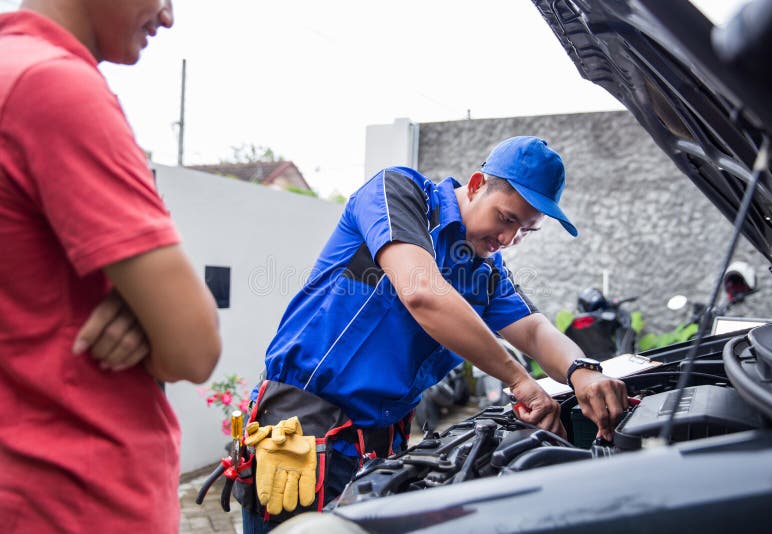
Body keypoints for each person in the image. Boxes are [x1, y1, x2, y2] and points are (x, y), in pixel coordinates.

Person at [241, 136, 629, 532]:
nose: (509, 240)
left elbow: (533, 329)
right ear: (477, 184)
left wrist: (583, 371)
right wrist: (521, 381)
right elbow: (422, 291)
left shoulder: (484, 272)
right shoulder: (400, 194)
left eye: (527, 231)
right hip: (306, 426)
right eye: (507, 219)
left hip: (381, 442)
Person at [0, 1, 222, 532]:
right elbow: (195, 348)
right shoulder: (52, 87)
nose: (167, 17)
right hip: (80, 498)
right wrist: (159, 314)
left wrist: (149, 308)